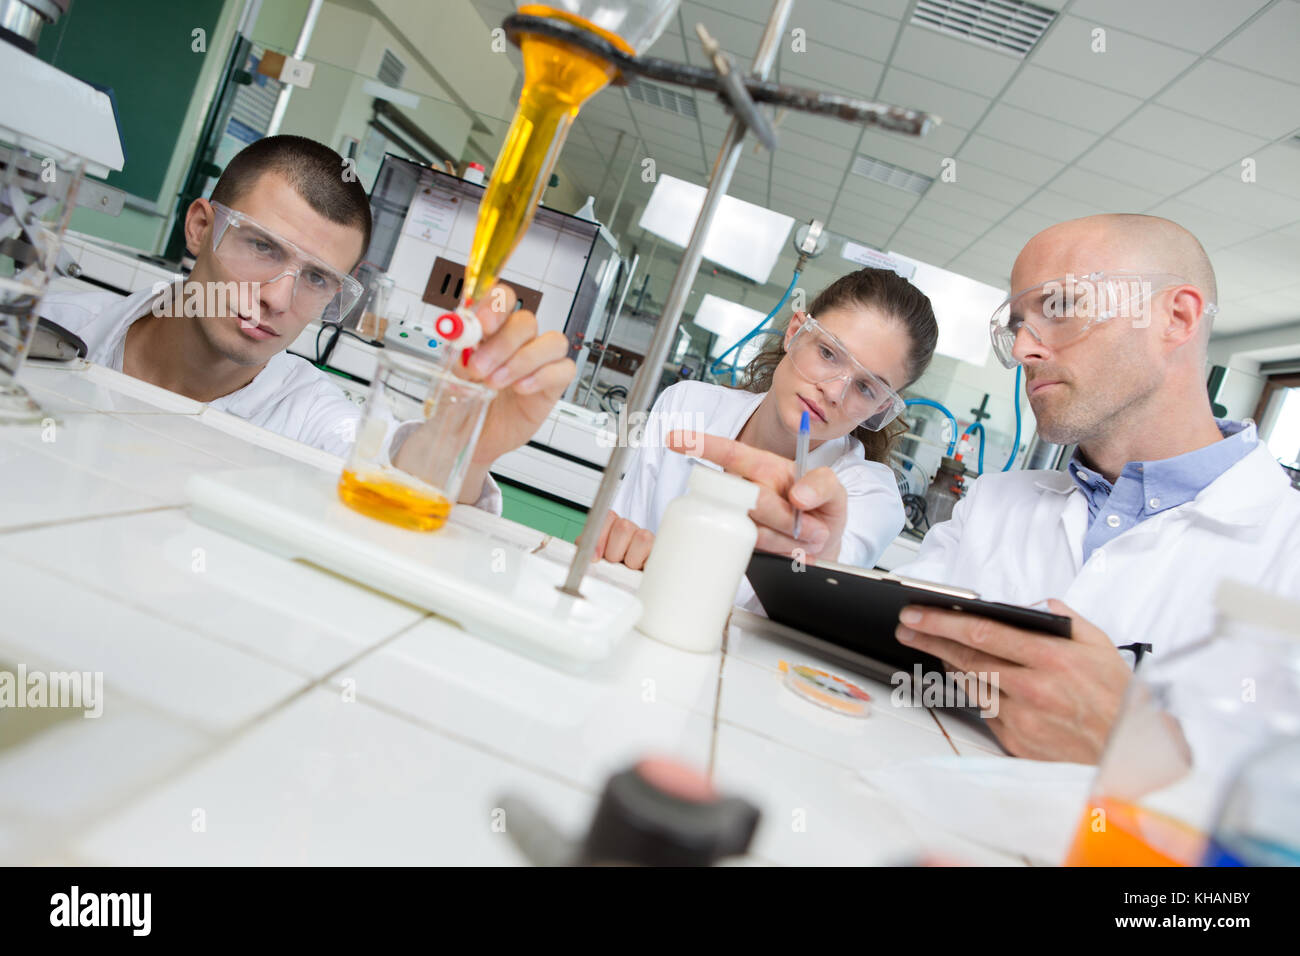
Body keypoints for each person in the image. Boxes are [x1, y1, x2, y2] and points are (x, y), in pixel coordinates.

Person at [661, 214, 1300, 763]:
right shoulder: (994, 506)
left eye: (1058, 308)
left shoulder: (1285, 550)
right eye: (1017, 323)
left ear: (1176, 317)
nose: (1023, 347)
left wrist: (1134, 746)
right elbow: (895, 675)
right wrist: (815, 574)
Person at [38, 135, 574, 513]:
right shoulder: (48, 330)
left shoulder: (309, 418)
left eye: (317, 278)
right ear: (201, 227)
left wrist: (464, 441)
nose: (276, 297)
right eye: (260, 246)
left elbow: (385, 468)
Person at [594, 268, 939, 604]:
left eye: (866, 387)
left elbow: (818, 593)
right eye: (828, 352)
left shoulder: (870, 495)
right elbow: (617, 540)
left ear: (882, 408)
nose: (834, 392)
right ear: (795, 332)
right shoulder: (688, 406)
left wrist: (820, 554)